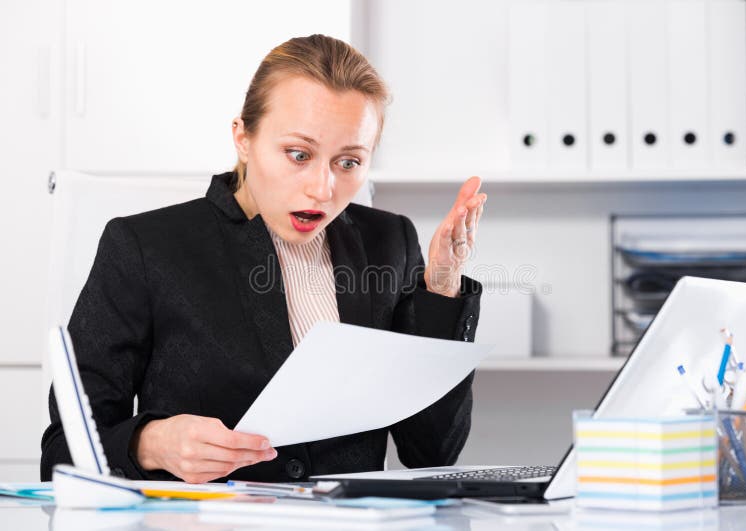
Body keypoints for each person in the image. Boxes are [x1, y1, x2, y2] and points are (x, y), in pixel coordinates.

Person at [41, 34, 487, 484]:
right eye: (299, 154)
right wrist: (150, 443)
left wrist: (442, 286)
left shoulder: (389, 241)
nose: (322, 189)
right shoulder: (143, 246)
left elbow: (431, 451)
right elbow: (62, 453)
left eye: (349, 162)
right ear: (243, 138)